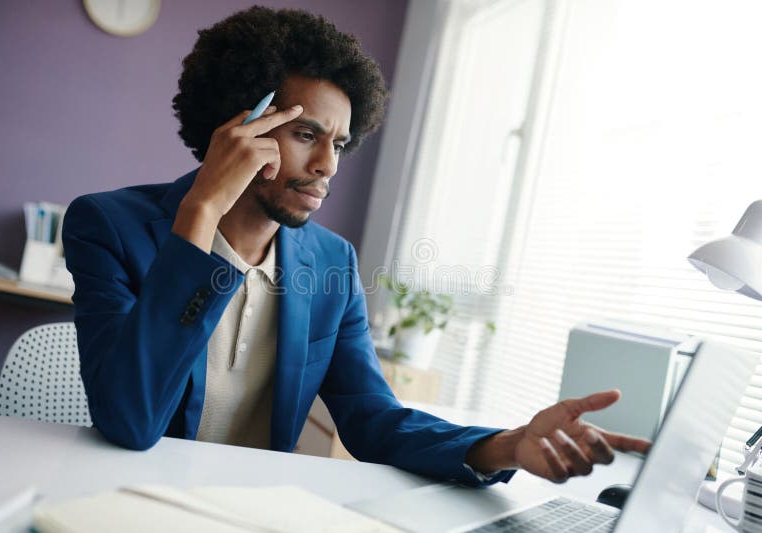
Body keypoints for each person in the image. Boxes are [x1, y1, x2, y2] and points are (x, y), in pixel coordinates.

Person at [62, 5, 649, 487]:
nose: (327, 167)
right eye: (305, 134)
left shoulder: (331, 265)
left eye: (340, 143)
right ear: (236, 127)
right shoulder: (109, 226)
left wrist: (506, 446)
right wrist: (201, 212)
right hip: (120, 501)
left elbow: (373, 420)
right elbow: (130, 420)